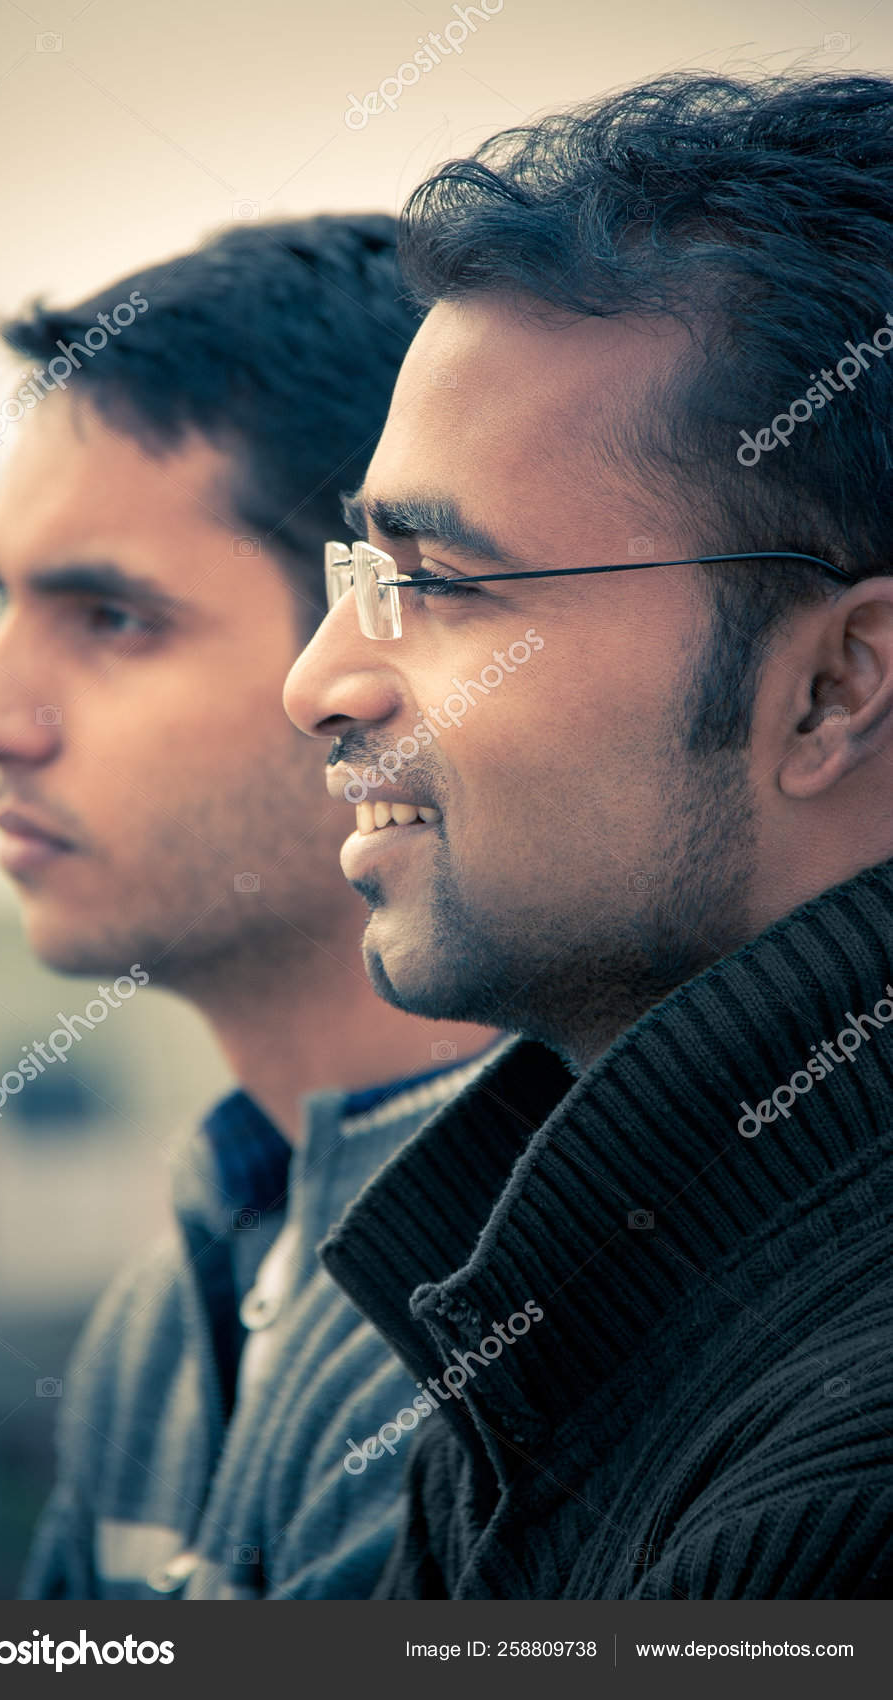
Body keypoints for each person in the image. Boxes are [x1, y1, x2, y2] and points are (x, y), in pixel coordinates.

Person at [283, 74, 893, 1599]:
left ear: (831, 687)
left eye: (445, 583)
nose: (318, 686)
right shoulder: (568, 1291)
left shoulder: (839, 1502)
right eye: (365, 572)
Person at [0, 214, 512, 1599]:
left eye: (113, 621)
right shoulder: (167, 1308)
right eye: (4, 609)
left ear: (377, 644)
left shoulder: (527, 1320)